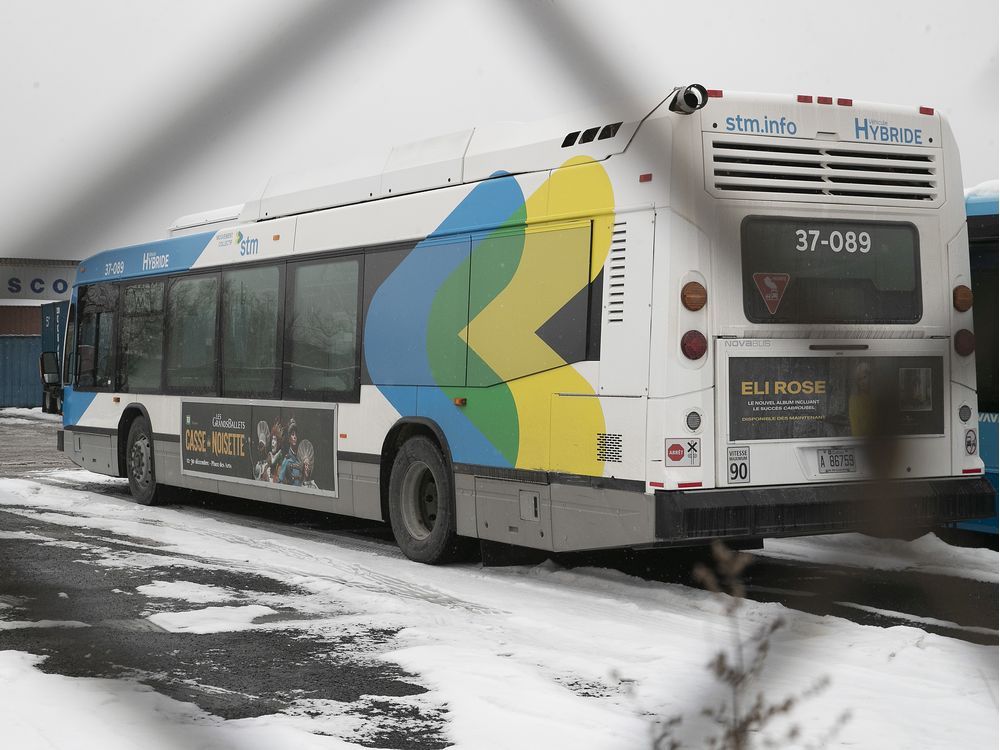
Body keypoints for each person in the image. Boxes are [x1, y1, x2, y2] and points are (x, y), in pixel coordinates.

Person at [279, 418, 303, 486]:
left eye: (296, 435)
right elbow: (280, 481)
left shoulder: (299, 459)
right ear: (289, 439)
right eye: (292, 434)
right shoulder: (286, 460)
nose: (295, 437)